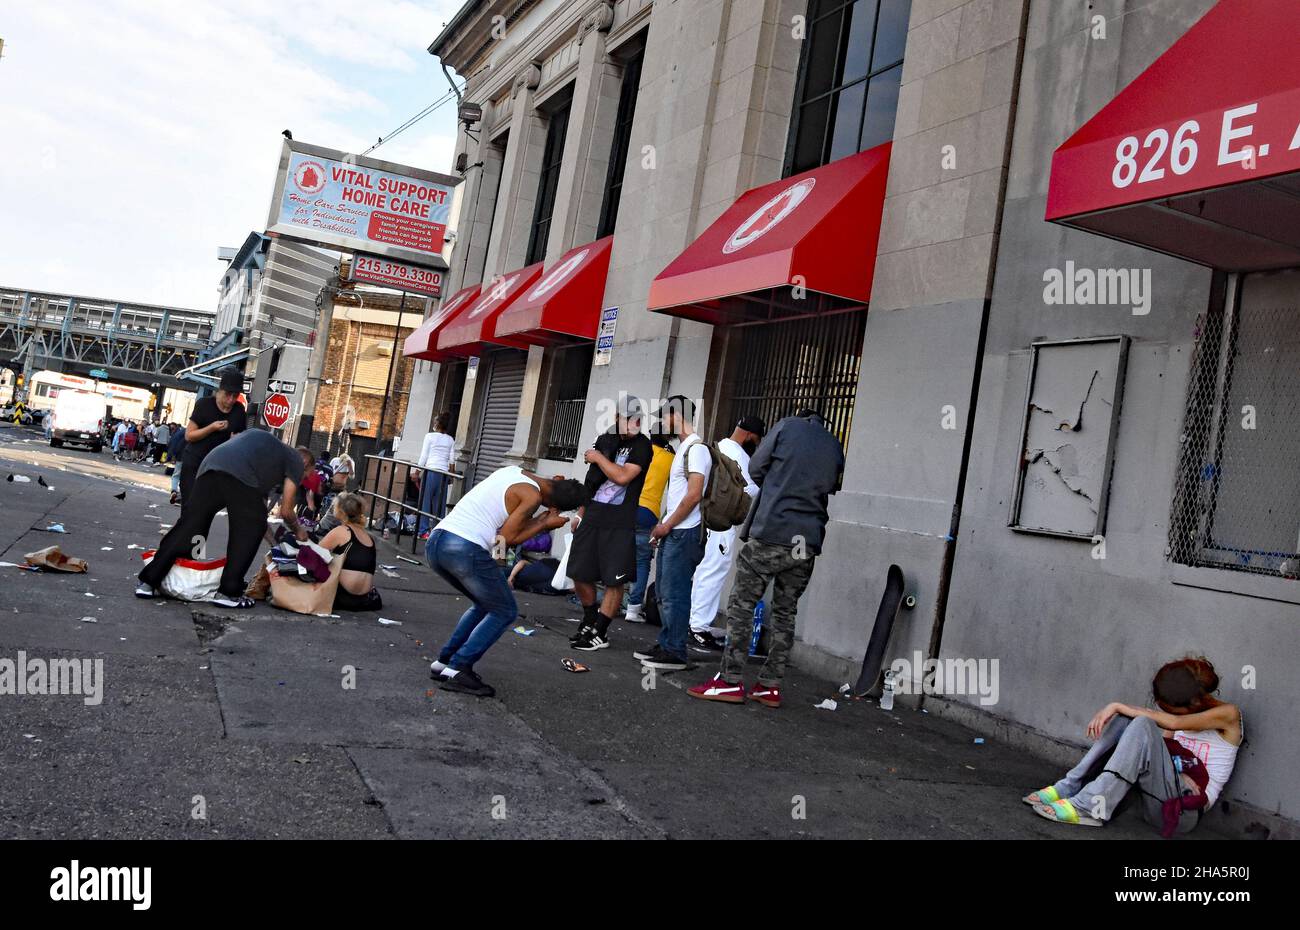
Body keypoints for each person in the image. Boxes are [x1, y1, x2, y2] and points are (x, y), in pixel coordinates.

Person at [688, 408, 843, 708]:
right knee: (786, 612)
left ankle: (730, 681)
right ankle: (769, 686)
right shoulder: (833, 443)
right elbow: (831, 485)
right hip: (808, 540)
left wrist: (779, 483)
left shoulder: (786, 427)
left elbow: (756, 468)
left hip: (774, 530)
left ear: (800, 416)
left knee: (742, 604)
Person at [1024, 656, 1242, 834]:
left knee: (1142, 722)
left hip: (1182, 811)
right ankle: (1070, 786)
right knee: (1125, 720)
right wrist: (1177, 771)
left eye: (1171, 710)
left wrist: (1116, 705)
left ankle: (1089, 807)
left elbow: (1176, 722)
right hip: (1155, 795)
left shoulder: (1229, 715)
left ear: (1195, 702)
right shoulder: (1185, 709)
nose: (1168, 714)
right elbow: (1167, 744)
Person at [426, 465, 588, 698]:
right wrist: (543, 524)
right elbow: (506, 539)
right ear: (554, 506)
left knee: (485, 604)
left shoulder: (513, 470)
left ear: (557, 479)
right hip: (464, 548)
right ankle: (459, 667)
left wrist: (538, 521)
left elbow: (502, 534)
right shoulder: (532, 497)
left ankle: (444, 663)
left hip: (438, 542)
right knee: (505, 610)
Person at [137, 427, 308, 609]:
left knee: (192, 526)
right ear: (306, 464)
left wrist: (274, 543)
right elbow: (287, 511)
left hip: (210, 465)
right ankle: (228, 591)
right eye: (306, 476)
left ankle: (149, 581)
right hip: (238, 471)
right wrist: (299, 531)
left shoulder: (267, 457)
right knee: (246, 531)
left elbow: (258, 518)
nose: (301, 480)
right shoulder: (296, 460)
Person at [568, 397, 654, 652]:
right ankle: (590, 619)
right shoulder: (606, 439)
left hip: (619, 520)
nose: (634, 423)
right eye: (628, 418)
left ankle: (601, 631)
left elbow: (623, 476)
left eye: (638, 418)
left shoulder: (643, 446)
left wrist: (597, 458)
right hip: (593, 514)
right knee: (578, 572)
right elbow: (591, 480)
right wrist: (580, 512)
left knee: (614, 580)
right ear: (617, 417)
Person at [633, 396, 711, 671]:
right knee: (665, 592)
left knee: (675, 593)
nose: (661, 422)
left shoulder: (697, 449)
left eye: (664, 416)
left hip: (685, 533)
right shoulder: (683, 448)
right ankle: (667, 643)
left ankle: (675, 650)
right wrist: (664, 526)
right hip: (673, 531)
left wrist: (667, 525)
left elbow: (693, 496)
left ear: (676, 415)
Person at [686, 416, 764, 651]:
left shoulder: (717, 446)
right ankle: (699, 627)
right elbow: (750, 490)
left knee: (703, 571)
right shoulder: (741, 457)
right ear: (751, 436)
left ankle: (693, 623)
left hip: (704, 520)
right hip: (721, 524)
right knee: (713, 572)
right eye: (757, 439)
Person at [626, 434, 675, 623]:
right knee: (641, 561)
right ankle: (633, 608)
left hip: (627, 507)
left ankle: (610, 602)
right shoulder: (670, 458)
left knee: (618, 555)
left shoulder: (638, 452)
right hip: (648, 512)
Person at [180, 367, 247, 504]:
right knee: (190, 505)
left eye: (235, 396)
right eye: (227, 395)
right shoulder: (204, 405)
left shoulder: (239, 410)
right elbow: (189, 435)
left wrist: (236, 440)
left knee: (206, 507)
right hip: (195, 462)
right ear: (219, 391)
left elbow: (242, 437)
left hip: (217, 467)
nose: (230, 400)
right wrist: (211, 428)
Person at [315, 492, 383, 612]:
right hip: (365, 598)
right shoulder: (368, 536)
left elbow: (315, 554)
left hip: (345, 596)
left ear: (340, 511)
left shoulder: (341, 531)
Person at [416, 413, 456, 536]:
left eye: (435, 421)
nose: (434, 423)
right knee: (439, 504)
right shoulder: (450, 439)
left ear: (438, 424)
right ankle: (437, 532)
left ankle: (423, 531)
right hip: (443, 474)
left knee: (425, 502)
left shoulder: (429, 437)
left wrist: (417, 472)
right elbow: (452, 460)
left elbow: (424, 456)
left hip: (431, 471)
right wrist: (451, 476)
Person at [166, 425, 187, 506]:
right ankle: (181, 497)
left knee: (176, 475)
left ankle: (174, 491)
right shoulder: (199, 432)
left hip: (180, 457)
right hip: (191, 458)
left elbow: (175, 443)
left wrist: (172, 455)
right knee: (186, 478)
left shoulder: (182, 432)